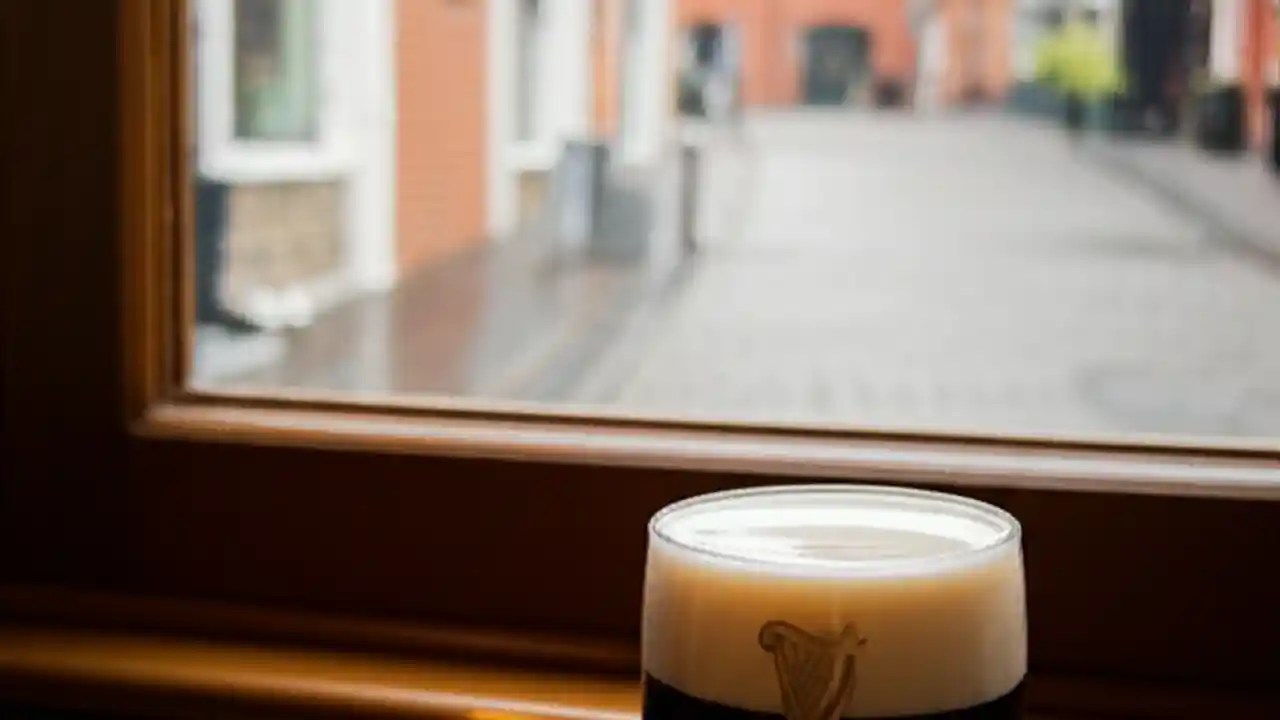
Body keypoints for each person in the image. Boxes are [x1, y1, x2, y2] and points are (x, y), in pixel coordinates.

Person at [1036, 9, 1122, 137]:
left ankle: (1074, 129)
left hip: (1072, 82)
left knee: (1073, 110)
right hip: (1086, 84)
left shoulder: (1073, 33)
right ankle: (1078, 129)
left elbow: (1060, 54)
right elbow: (1104, 62)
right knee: (1081, 110)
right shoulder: (1096, 38)